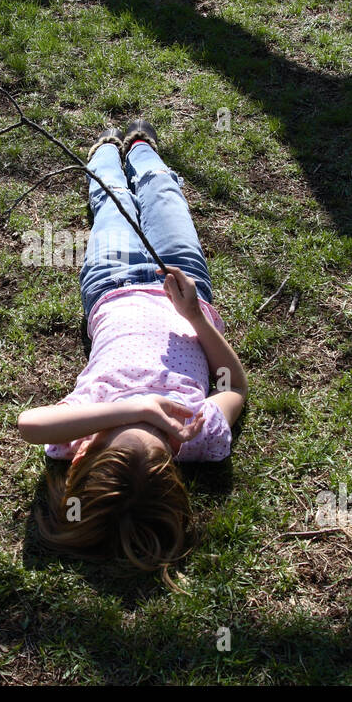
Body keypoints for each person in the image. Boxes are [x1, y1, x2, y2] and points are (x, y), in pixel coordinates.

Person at [17, 120, 248, 575]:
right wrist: (195, 318)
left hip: (113, 281)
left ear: (85, 453)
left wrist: (135, 408)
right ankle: (142, 147)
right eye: (159, 434)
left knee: (113, 203)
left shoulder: (79, 432)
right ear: (175, 462)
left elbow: (29, 424)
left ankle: (103, 149)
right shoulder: (194, 432)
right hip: (185, 283)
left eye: (145, 425)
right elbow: (234, 386)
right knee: (165, 198)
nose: (158, 423)